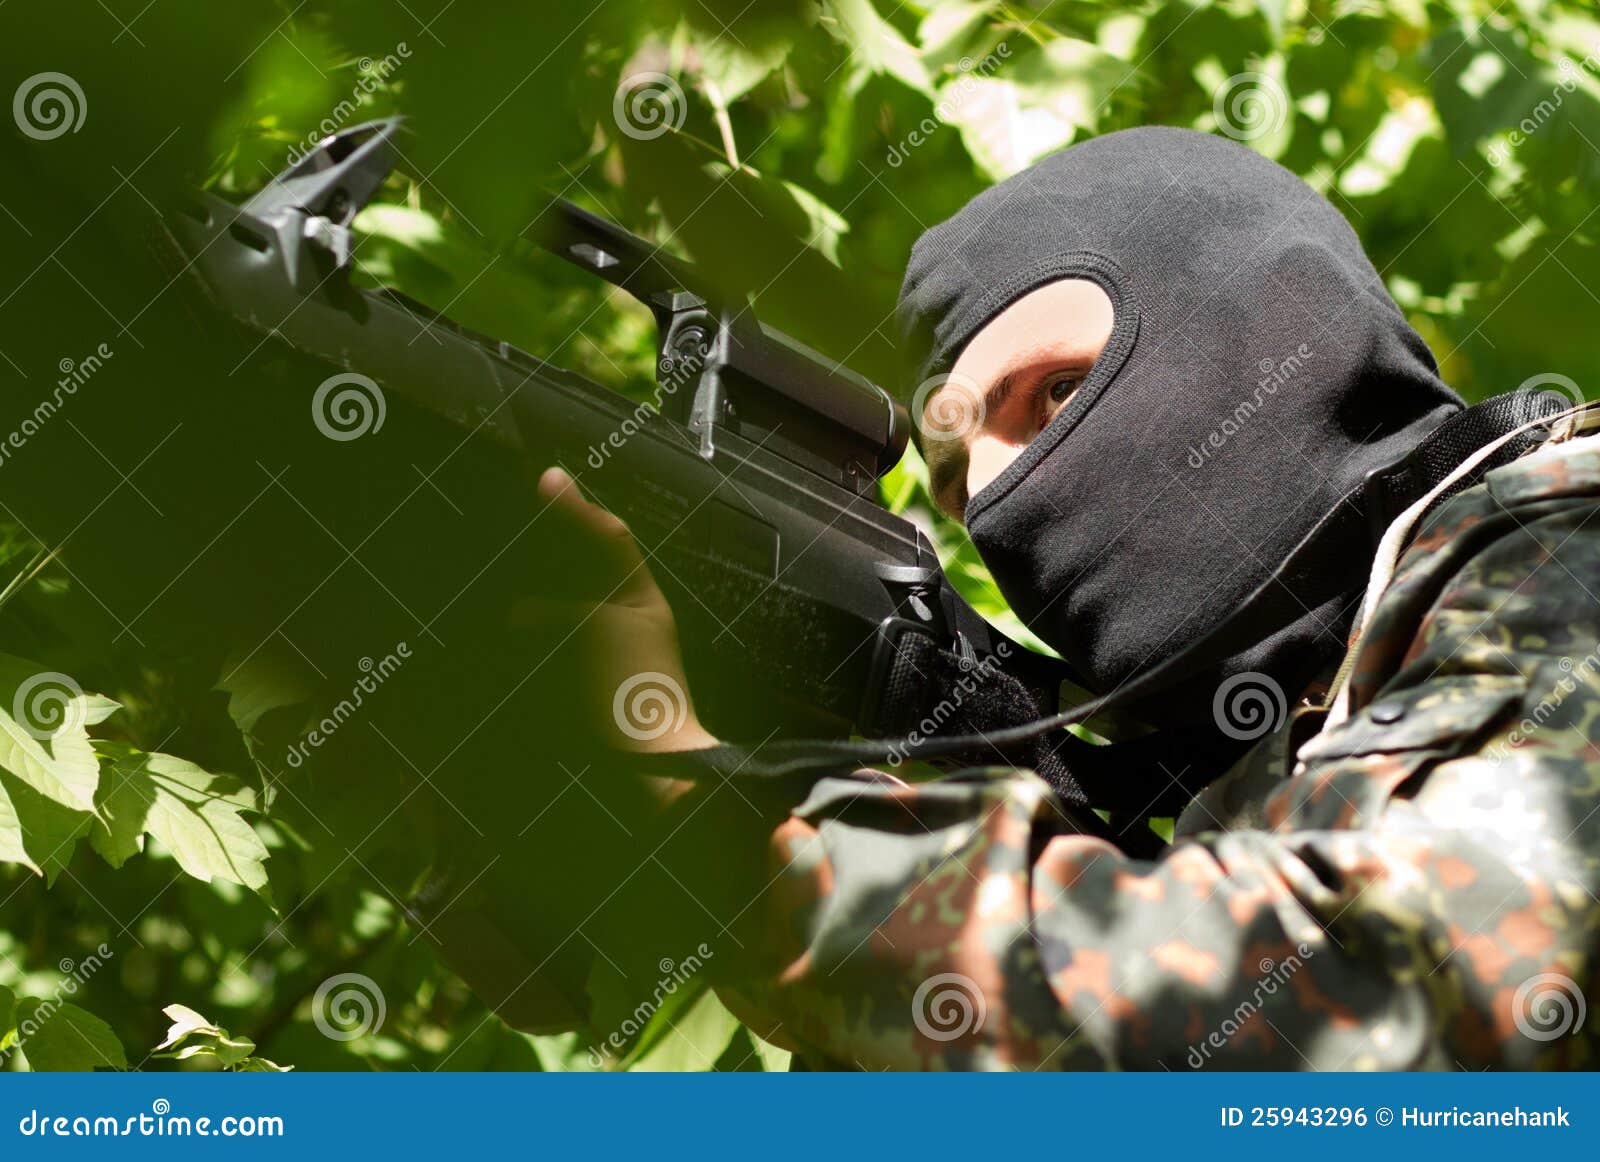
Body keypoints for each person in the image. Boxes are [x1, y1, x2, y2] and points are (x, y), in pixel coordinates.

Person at [536, 127, 1599, 1069]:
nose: (998, 501)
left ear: (1266, 314)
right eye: (957, 483)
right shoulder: (1246, 788)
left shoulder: (1565, 537)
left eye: (1049, 394)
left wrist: (724, 842)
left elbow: (1385, 1014)